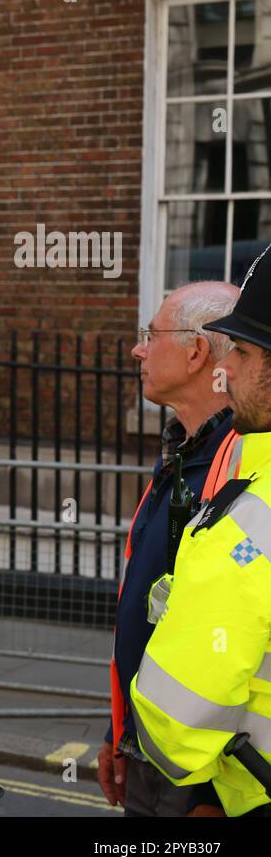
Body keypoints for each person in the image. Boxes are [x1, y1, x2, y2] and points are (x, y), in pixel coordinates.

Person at [131, 243, 271, 819]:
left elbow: (180, 714)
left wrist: (201, 789)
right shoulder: (211, 460)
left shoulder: (251, 498)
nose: (227, 365)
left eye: (240, 348)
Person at [98, 282, 240, 815]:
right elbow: (149, 608)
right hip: (150, 751)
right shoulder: (184, 453)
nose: (138, 350)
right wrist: (119, 732)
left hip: (202, 775)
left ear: (197, 351)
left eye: (150, 336)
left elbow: (228, 633)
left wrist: (208, 792)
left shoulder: (240, 467)